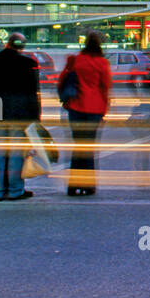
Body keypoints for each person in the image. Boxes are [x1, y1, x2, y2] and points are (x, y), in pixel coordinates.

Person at [0, 32, 42, 201]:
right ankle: (15, 190)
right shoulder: (28, 64)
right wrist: (36, 117)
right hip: (19, 111)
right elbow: (33, 92)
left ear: (7, 43)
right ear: (22, 46)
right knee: (16, 152)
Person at [59, 31, 112, 196]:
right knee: (89, 147)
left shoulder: (76, 60)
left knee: (78, 146)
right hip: (94, 109)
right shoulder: (102, 63)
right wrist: (105, 109)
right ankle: (88, 184)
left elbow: (63, 79)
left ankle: (73, 185)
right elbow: (105, 87)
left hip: (75, 108)